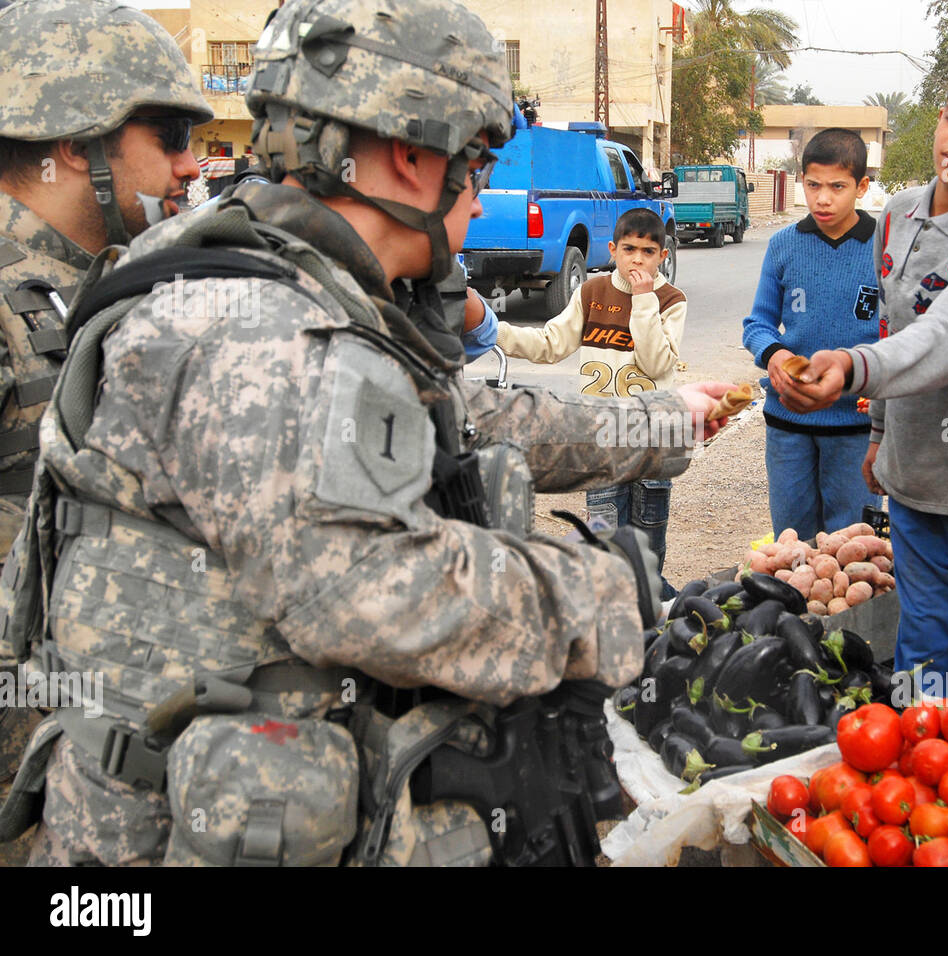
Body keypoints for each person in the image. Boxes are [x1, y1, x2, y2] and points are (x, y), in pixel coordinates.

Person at [0, 0, 734, 866]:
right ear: (415, 156)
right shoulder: (258, 326)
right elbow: (367, 590)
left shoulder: (302, 289)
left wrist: (664, 420)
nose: (480, 198)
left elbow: (458, 420)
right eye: (479, 165)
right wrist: (611, 590)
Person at [0, 0, 211, 858]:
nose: (192, 165)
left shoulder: (95, 290)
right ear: (71, 142)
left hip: (74, 757)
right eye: (166, 134)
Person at [780, 50, 948, 686]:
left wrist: (849, 366)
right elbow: (896, 329)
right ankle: (932, 766)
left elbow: (946, 339)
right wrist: (880, 436)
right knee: (928, 650)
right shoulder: (898, 216)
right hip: (915, 478)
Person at [495, 207, 686, 596]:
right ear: (613, 250)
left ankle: (652, 616)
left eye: (648, 252)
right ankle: (611, 615)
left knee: (647, 546)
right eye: (629, 249)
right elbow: (550, 344)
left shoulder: (670, 300)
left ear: (662, 256)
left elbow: (656, 361)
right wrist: (490, 330)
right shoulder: (591, 293)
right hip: (601, 440)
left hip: (652, 441)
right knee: (605, 541)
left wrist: (644, 300)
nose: (637, 259)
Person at [742, 128, 882, 541]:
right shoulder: (784, 244)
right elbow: (758, 323)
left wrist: (883, 385)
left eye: (837, 187)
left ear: (861, 187)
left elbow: (901, 333)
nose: (823, 198)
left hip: (857, 423)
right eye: (813, 185)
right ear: (801, 180)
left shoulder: (885, 246)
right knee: (792, 542)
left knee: (854, 544)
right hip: (789, 420)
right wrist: (775, 356)